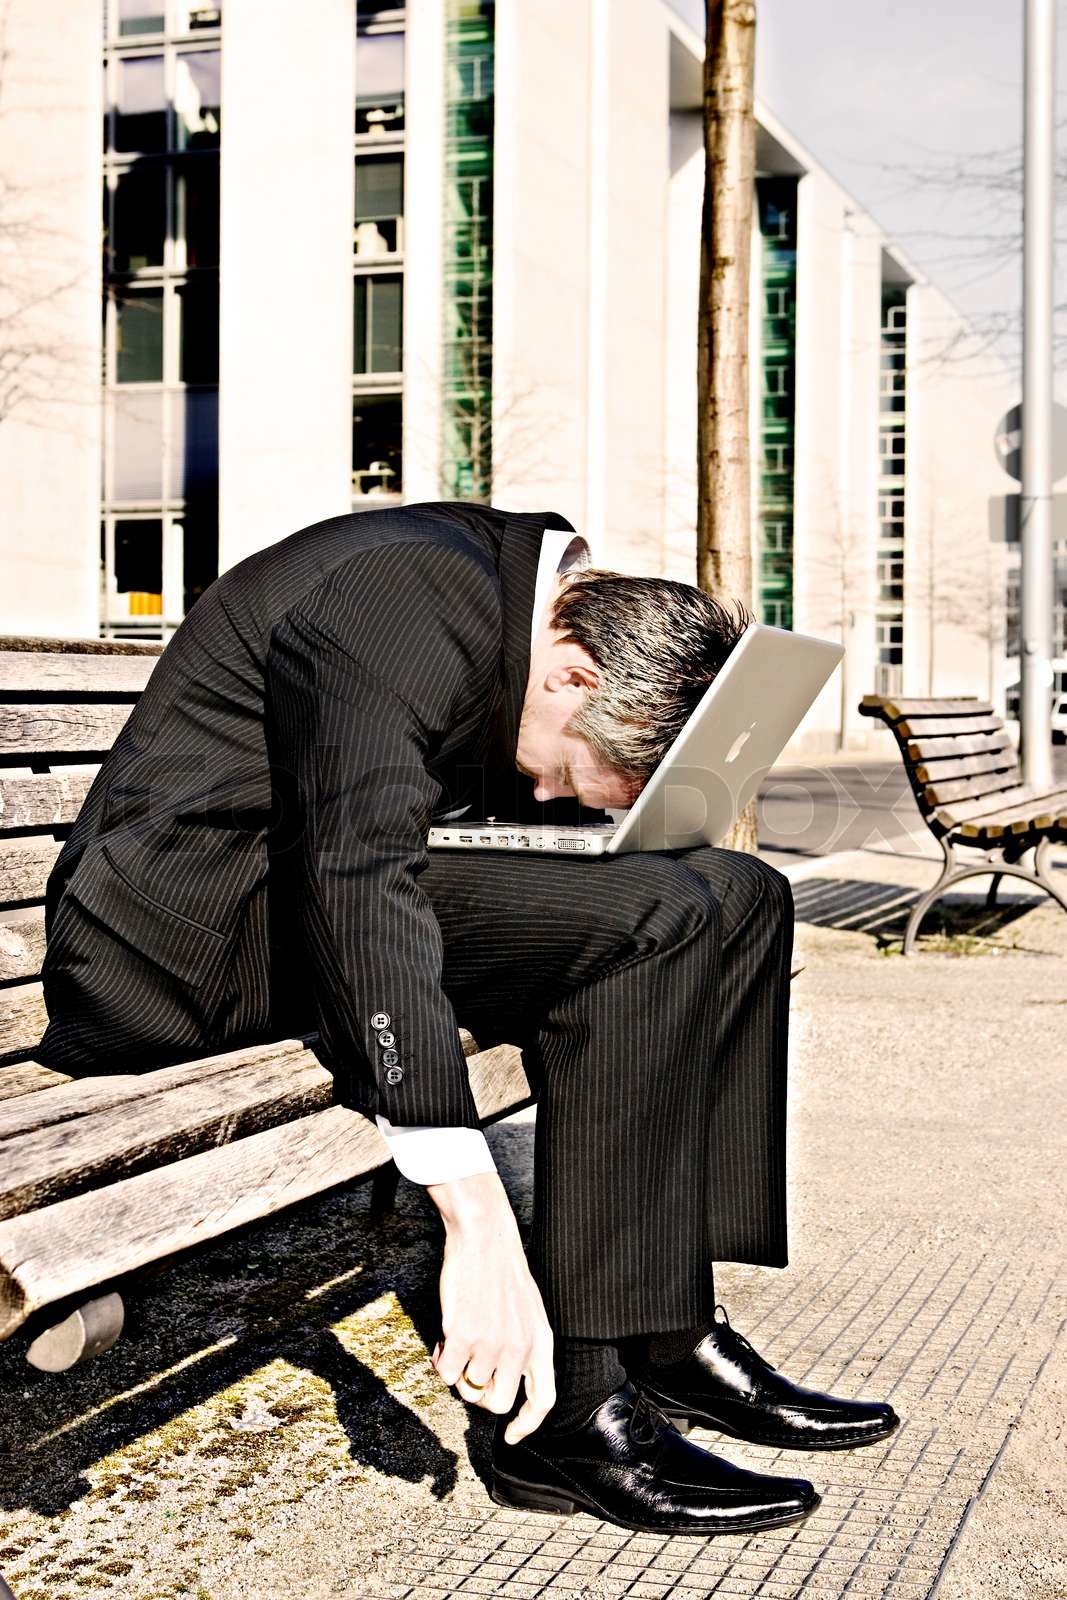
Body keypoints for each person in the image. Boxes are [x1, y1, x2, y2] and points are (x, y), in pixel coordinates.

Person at [39, 501, 897, 1537]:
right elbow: (359, 875)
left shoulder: (510, 596)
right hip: (181, 952)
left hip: (284, 901)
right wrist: (476, 1218)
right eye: (597, 778)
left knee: (740, 890)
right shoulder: (394, 600)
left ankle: (665, 1327)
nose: (584, 802)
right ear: (575, 675)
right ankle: (568, 1413)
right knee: (654, 917)